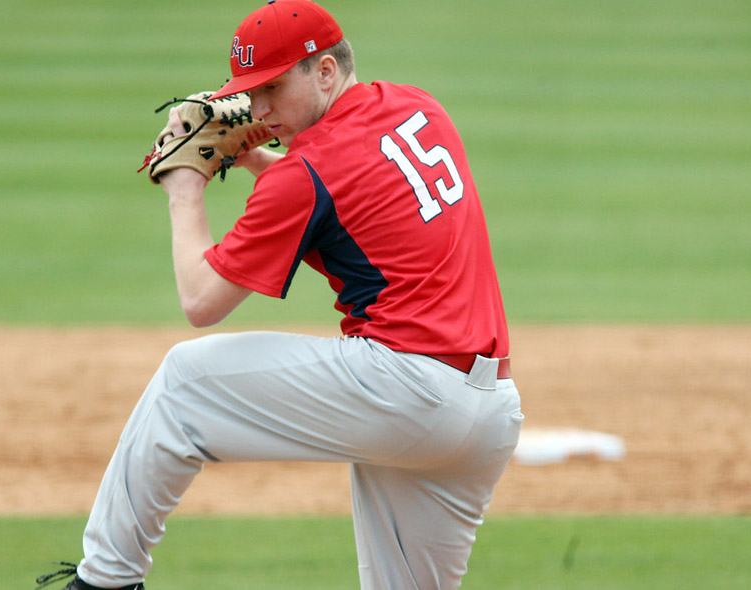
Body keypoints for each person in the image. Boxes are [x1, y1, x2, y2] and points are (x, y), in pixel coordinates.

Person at [51, 1, 523, 588]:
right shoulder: (416, 105)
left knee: (183, 384)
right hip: (489, 412)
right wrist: (254, 157)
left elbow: (201, 301)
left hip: (407, 392)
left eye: (272, 86)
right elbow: (352, 191)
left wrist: (184, 187)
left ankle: (104, 582)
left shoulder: (303, 178)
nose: (259, 107)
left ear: (324, 71)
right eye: (249, 91)